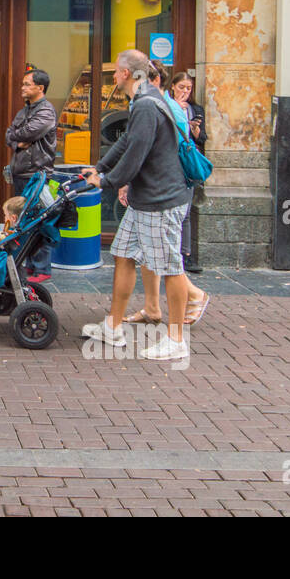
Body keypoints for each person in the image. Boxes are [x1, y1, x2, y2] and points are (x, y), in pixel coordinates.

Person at [79, 49, 195, 360]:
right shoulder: (145, 100)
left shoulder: (146, 105)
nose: (114, 76)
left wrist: (107, 181)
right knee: (123, 254)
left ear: (128, 74)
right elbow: (127, 141)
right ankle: (113, 327)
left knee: (170, 267)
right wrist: (101, 167)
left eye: (117, 71)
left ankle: (176, 339)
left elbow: (136, 152)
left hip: (160, 200)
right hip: (147, 199)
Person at [117, 64, 210, 328]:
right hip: (154, 188)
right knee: (146, 250)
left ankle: (194, 296)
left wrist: (124, 181)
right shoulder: (155, 104)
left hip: (165, 191)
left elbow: (147, 152)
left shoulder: (157, 107)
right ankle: (152, 307)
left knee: (164, 253)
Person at [5, 68, 58, 285]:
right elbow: (10, 134)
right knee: (25, 220)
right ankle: (29, 263)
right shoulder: (24, 110)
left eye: (27, 84)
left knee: (38, 219)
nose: (23, 88)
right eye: (23, 84)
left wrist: (18, 137)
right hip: (21, 172)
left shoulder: (46, 111)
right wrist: (18, 141)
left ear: (40, 88)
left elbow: (28, 133)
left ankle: (42, 267)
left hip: (36, 174)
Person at [170, 69, 206, 273]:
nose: (185, 91)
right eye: (182, 87)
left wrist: (197, 133)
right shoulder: (167, 107)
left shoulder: (195, 110)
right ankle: (174, 252)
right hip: (172, 162)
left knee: (186, 211)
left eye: (189, 88)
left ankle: (186, 255)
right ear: (173, 87)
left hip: (188, 164)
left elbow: (203, 139)